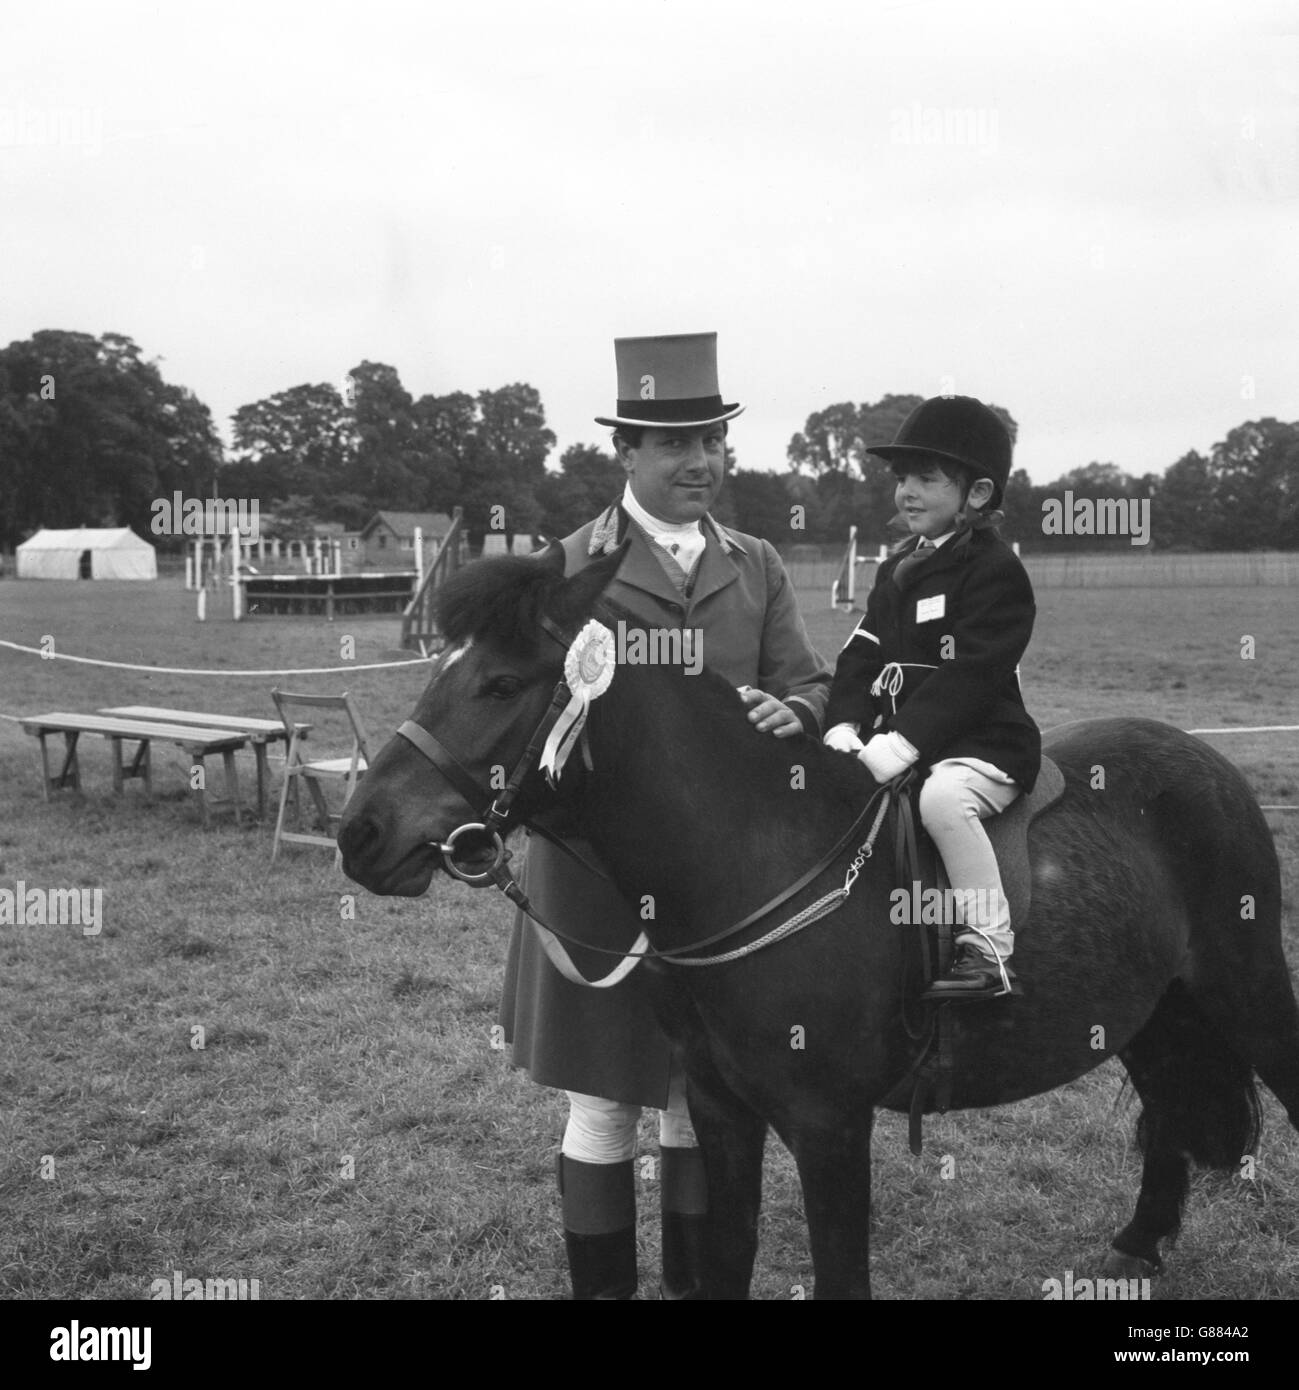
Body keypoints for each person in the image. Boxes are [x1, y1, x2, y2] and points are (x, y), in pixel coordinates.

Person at [498, 332, 831, 1298]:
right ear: (627, 454)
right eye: (674, 445)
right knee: (603, 1102)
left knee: (704, 1098)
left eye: (714, 442)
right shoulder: (566, 568)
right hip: (597, 878)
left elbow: (805, 680)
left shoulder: (756, 562)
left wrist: (795, 712)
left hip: (721, 889)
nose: (701, 464)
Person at [823, 395, 1041, 1000]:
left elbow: (972, 674)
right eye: (902, 479)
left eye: (926, 478)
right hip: (903, 744)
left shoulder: (995, 571)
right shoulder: (896, 570)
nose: (907, 492)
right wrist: (843, 726)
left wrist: (901, 741)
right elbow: (860, 654)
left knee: (943, 801)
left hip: (981, 747)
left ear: (976, 494)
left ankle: (989, 947)